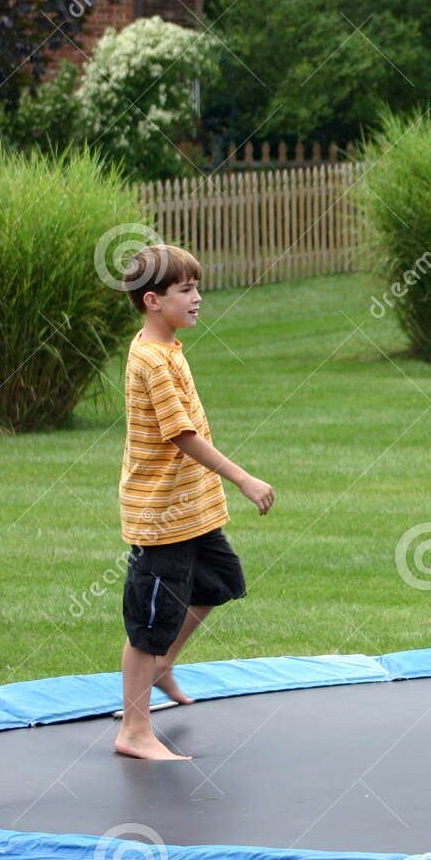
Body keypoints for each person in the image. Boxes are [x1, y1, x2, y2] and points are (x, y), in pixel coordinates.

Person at [116, 243, 274, 762]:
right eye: (187, 290)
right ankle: (134, 730)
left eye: (197, 287)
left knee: (218, 583)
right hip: (162, 514)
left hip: (194, 510)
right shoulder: (152, 361)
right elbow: (181, 434)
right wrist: (244, 479)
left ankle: (164, 667)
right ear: (153, 301)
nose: (198, 297)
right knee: (149, 623)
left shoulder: (169, 350)